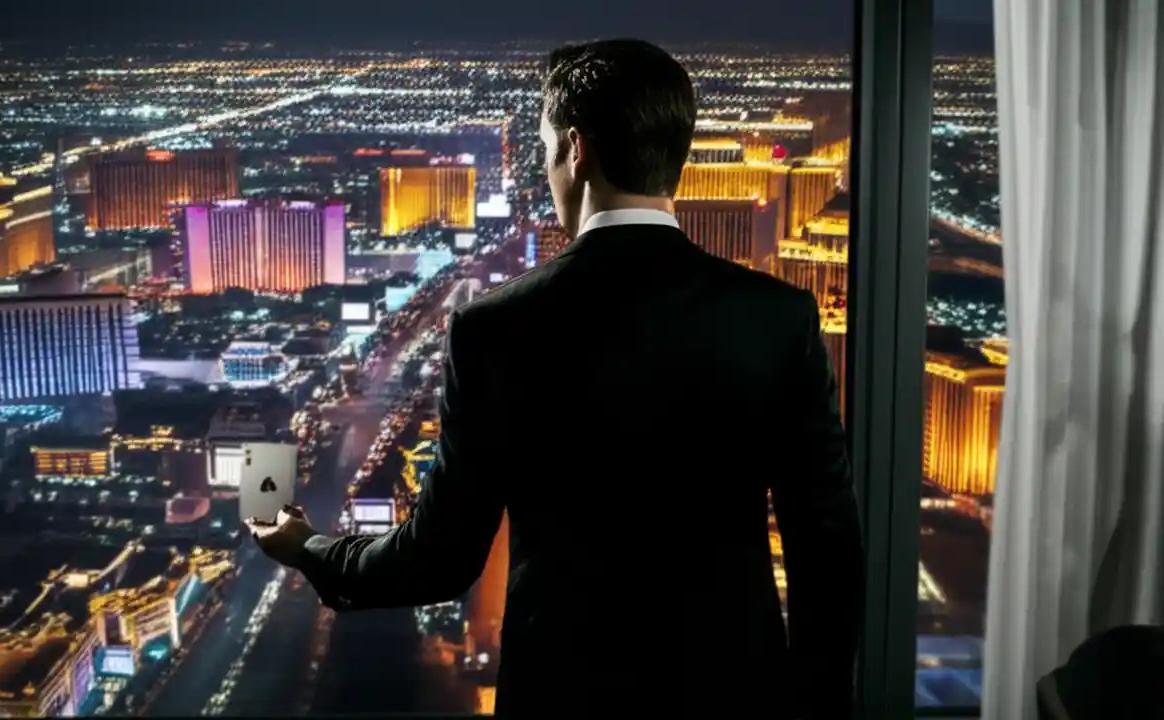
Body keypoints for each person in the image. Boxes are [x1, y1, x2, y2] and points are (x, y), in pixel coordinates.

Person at [248, 38, 863, 718]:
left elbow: (437, 560)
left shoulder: (495, 328)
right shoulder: (777, 318)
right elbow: (827, 545)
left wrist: (308, 549)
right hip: (734, 693)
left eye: (544, 150)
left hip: (563, 695)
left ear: (575, 149)